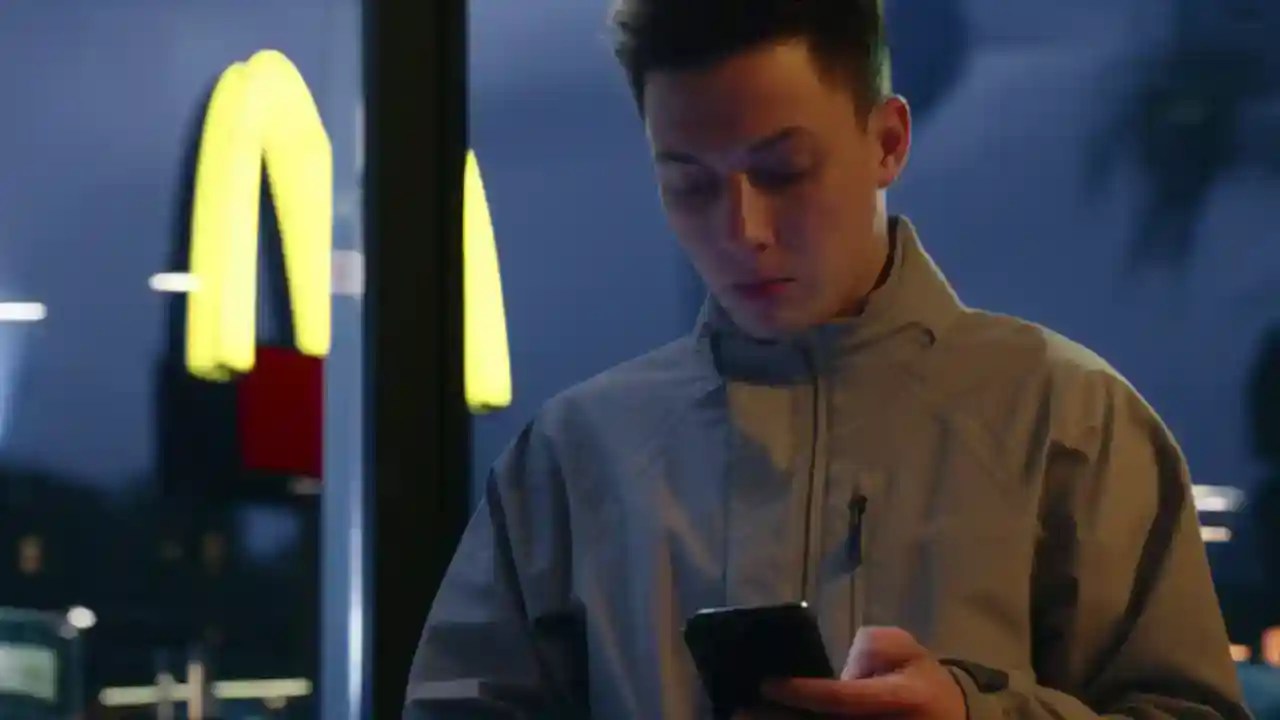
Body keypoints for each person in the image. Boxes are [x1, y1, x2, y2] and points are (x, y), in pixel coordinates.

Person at [405, 1, 1252, 718]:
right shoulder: (571, 456)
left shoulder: (1073, 424)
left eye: (783, 170)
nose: (744, 230)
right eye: (689, 183)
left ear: (888, 141)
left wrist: (972, 710)